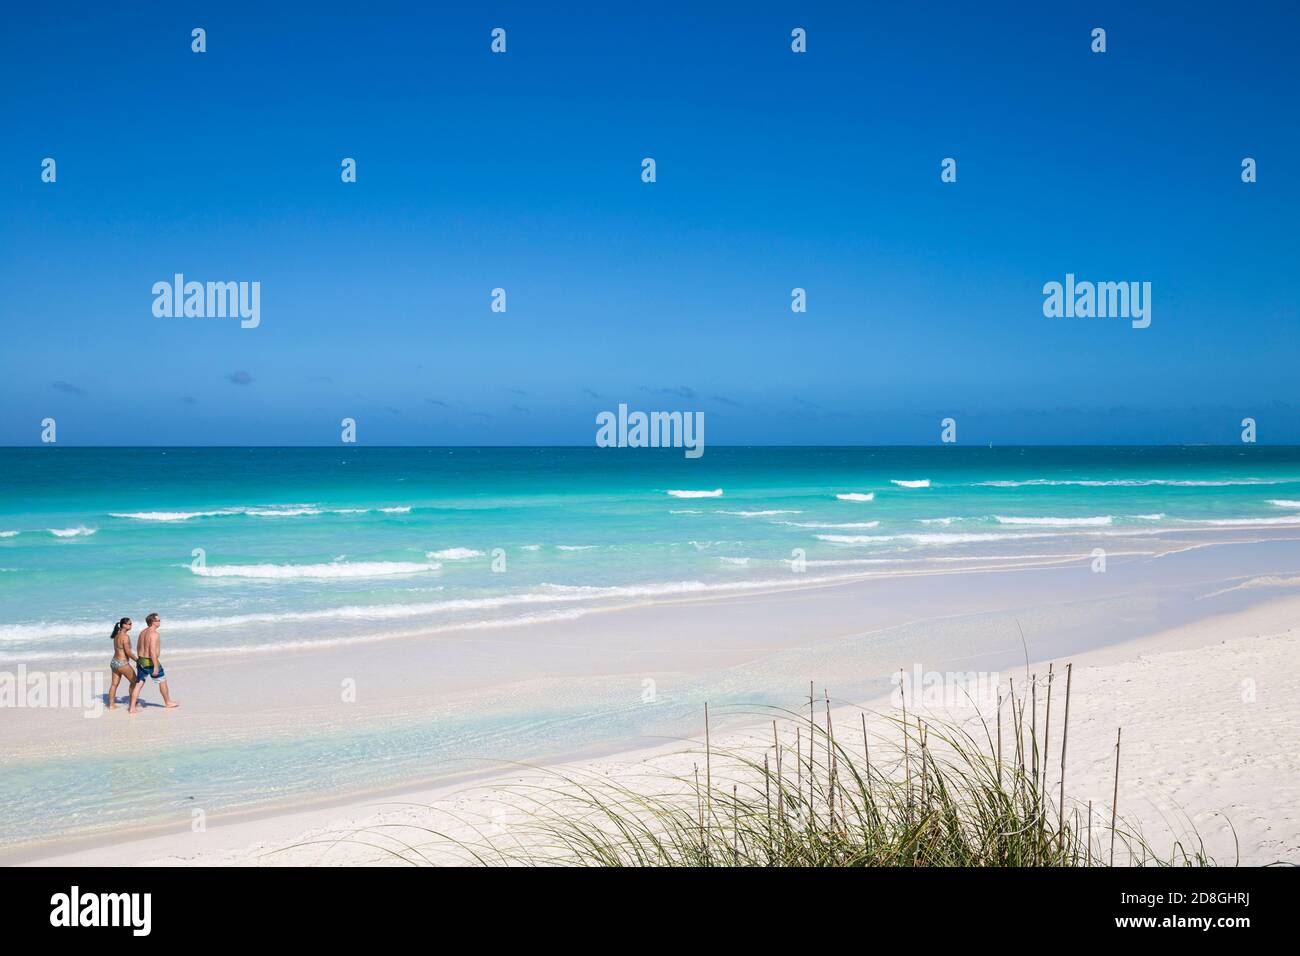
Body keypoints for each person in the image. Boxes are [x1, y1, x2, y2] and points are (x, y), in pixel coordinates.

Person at [129, 612, 178, 712]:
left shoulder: (142, 632)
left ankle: (132, 707)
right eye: (158, 620)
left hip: (141, 660)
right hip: (150, 662)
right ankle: (168, 702)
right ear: (152, 622)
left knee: (139, 684)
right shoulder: (154, 634)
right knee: (162, 680)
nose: (160, 622)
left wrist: (140, 660)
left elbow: (138, 647)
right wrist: (155, 666)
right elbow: (152, 651)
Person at [106, 617, 139, 710]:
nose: (131, 625)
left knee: (114, 684)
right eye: (129, 624)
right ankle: (133, 703)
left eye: (131, 623)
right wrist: (138, 660)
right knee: (135, 682)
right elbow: (128, 652)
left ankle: (111, 705)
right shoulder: (125, 637)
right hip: (122, 663)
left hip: (114, 662)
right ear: (123, 625)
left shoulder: (116, 635)